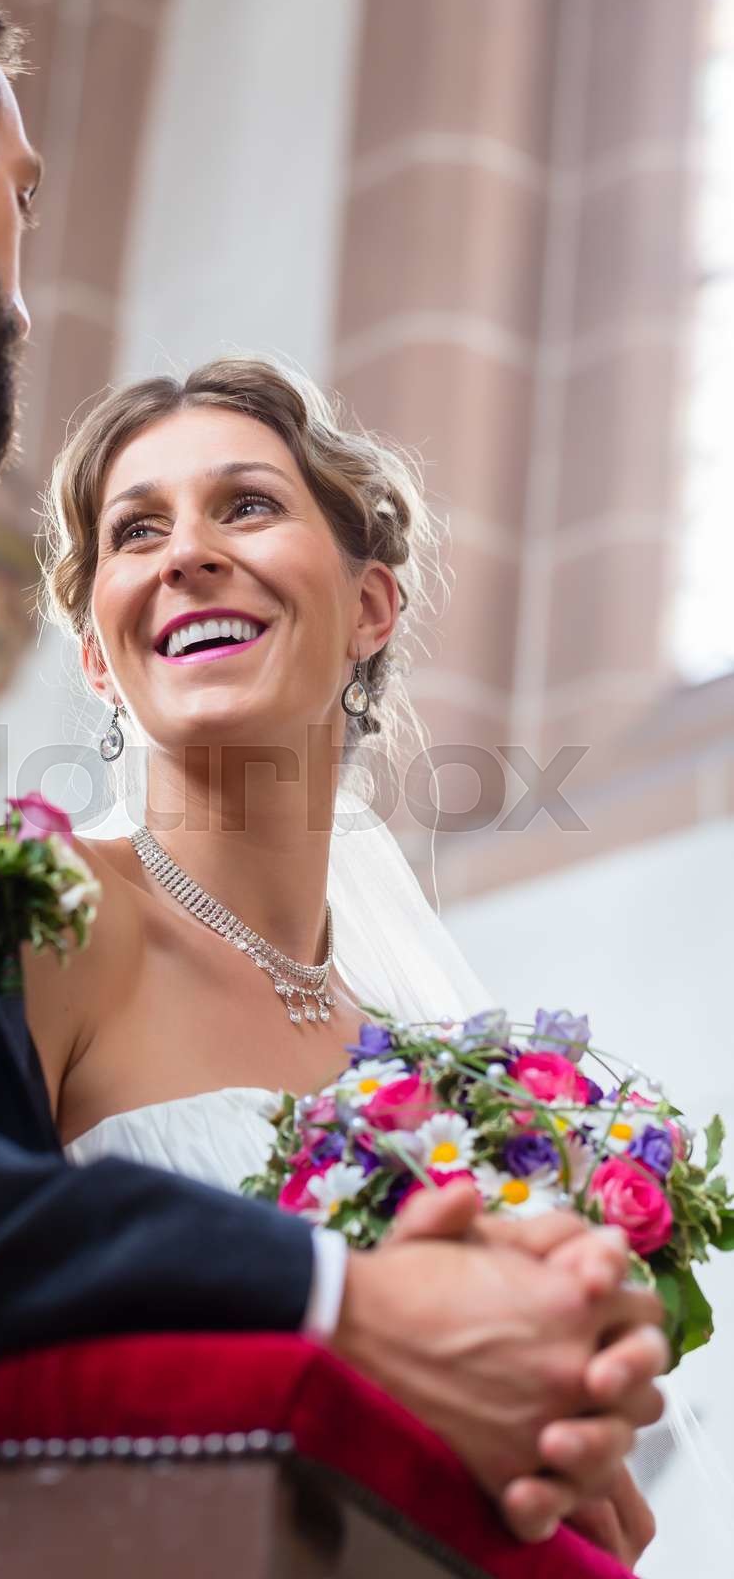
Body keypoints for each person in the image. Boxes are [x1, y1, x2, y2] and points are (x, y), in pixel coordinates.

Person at [0, 0, 664, 1576]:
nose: (20, 291)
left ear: (372, 598)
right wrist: (345, 1308)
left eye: (246, 508)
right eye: (30, 195)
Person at [33, 357, 663, 1568]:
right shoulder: (59, 926)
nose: (186, 553)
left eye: (247, 505)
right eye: (137, 528)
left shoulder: (426, 1061)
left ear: (371, 607)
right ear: (98, 660)